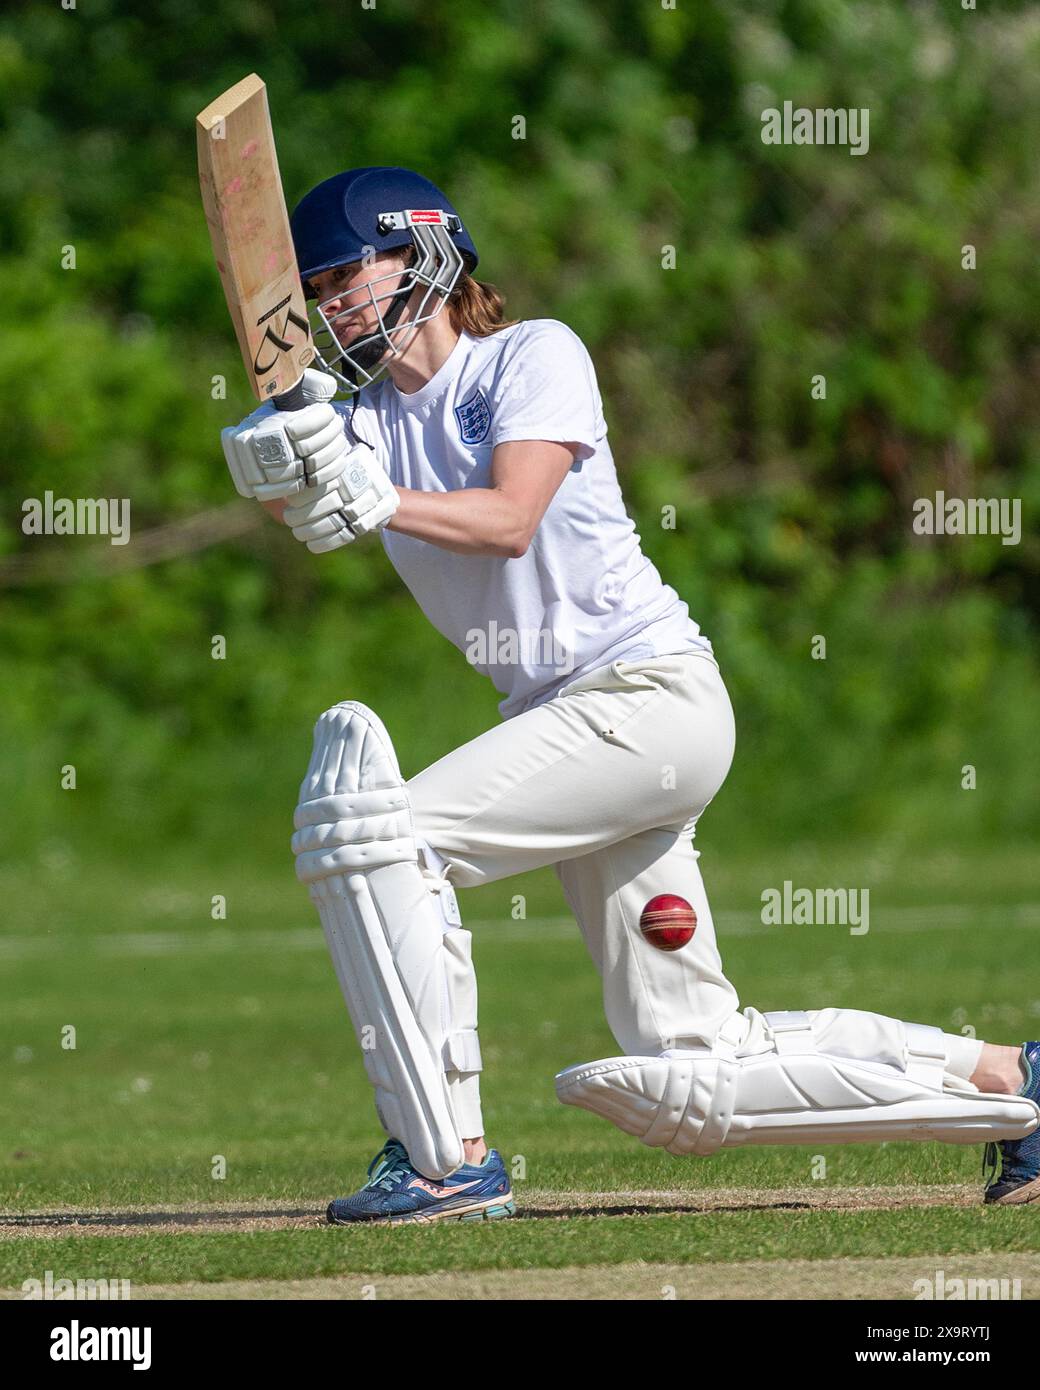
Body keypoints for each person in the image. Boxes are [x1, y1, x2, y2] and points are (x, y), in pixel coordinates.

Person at [221, 167, 1040, 1224]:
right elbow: (322, 474)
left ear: (421, 251)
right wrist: (282, 448)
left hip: (648, 697)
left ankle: (446, 1159)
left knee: (384, 837)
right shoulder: (371, 420)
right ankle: (1013, 1083)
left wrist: (377, 494)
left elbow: (511, 514)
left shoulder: (531, 355)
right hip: (569, 730)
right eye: (316, 287)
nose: (329, 303)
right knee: (697, 1070)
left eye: (345, 274)